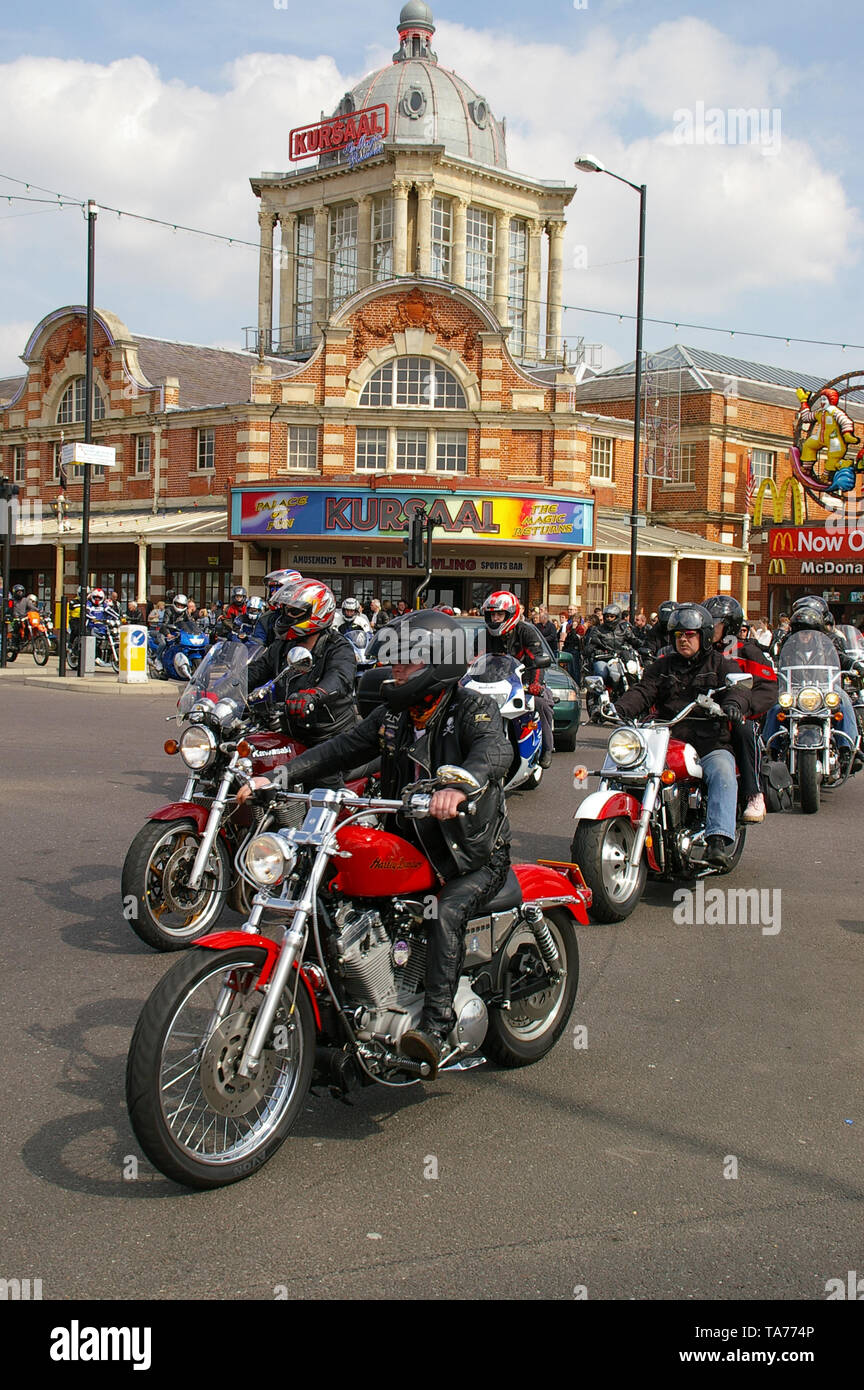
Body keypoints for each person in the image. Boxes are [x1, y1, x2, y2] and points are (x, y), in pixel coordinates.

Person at [238, 608, 512, 1077]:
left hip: (468, 855)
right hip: (406, 842)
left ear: (437, 664)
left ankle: (436, 1025)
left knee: (445, 911)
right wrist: (277, 777)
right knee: (329, 881)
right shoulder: (395, 714)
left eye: (405, 662)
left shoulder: (472, 707)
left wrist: (461, 785)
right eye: (394, 660)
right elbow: (339, 750)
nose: (394, 671)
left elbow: (494, 750)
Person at [614, 603, 754, 866]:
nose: (683, 640)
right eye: (679, 635)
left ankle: (717, 839)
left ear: (703, 635)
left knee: (722, 771)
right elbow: (644, 690)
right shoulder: (663, 666)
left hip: (709, 742)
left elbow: (739, 689)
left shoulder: (721, 664)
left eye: (689, 635)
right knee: (630, 768)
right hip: (669, 738)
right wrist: (620, 707)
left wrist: (733, 705)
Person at [245, 579, 358, 759]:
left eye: (294, 611)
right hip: (289, 729)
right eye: (284, 610)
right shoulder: (282, 645)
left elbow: (340, 677)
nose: (286, 617)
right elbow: (256, 671)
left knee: (320, 777)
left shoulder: (338, 647)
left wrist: (312, 695)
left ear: (318, 612)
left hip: (328, 734)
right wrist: (219, 691)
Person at [703, 594, 778, 823]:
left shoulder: (746, 651)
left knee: (745, 731)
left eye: (715, 622)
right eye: (708, 621)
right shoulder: (700, 650)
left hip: (736, 714)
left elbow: (767, 686)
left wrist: (744, 709)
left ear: (730, 625)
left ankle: (754, 794)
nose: (710, 627)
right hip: (699, 714)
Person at [481, 590, 555, 767]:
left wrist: (535, 684)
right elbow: (475, 659)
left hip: (524, 684)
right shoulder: (485, 635)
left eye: (500, 614)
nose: (495, 619)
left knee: (542, 704)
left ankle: (547, 748)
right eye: (492, 615)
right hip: (494, 685)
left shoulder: (526, 632)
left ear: (511, 614)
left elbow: (537, 660)